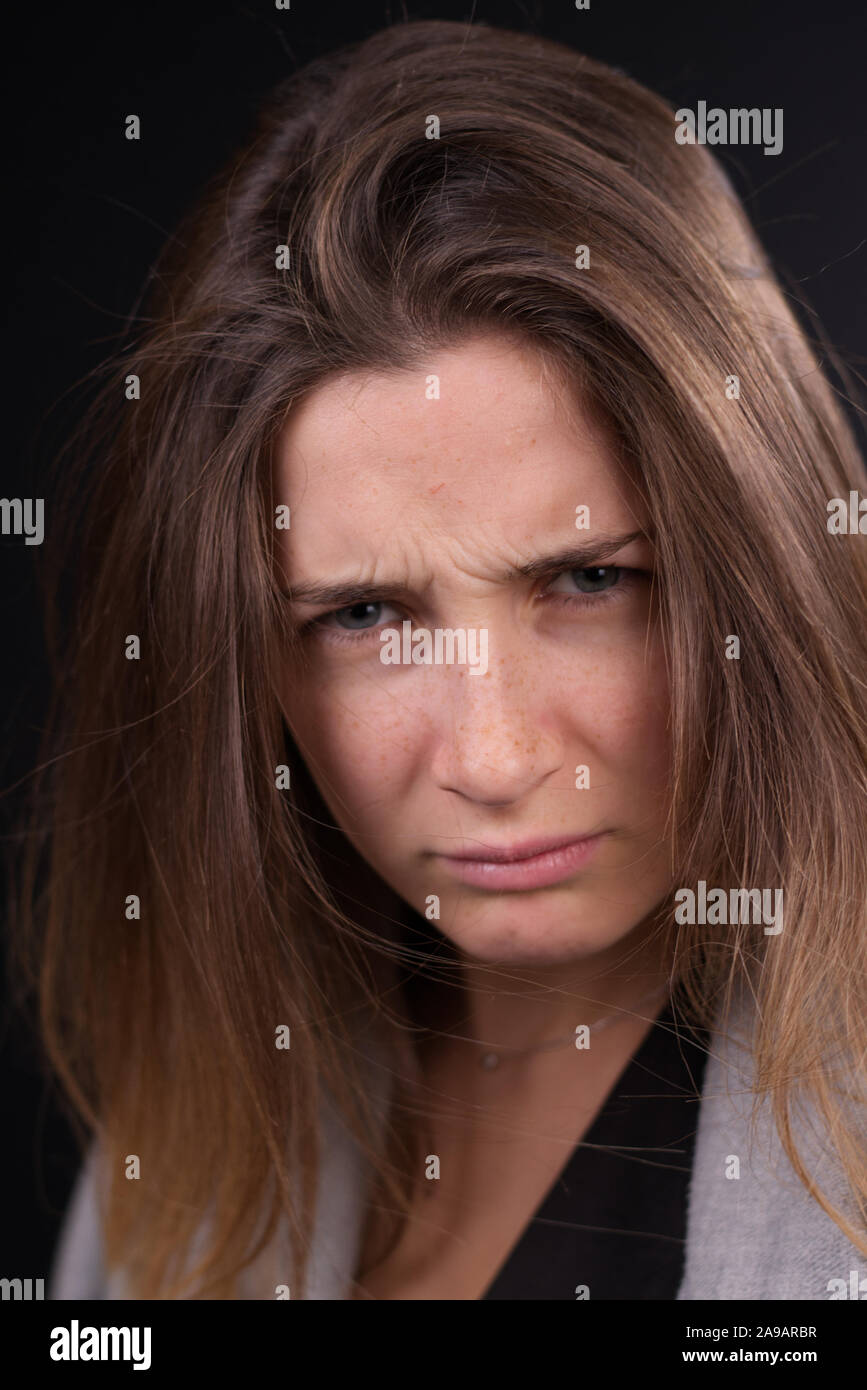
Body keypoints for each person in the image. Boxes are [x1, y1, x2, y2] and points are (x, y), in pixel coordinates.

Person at [15, 19, 867, 1300]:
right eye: (362, 618)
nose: (495, 754)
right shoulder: (198, 1142)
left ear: (756, 562)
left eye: (590, 581)